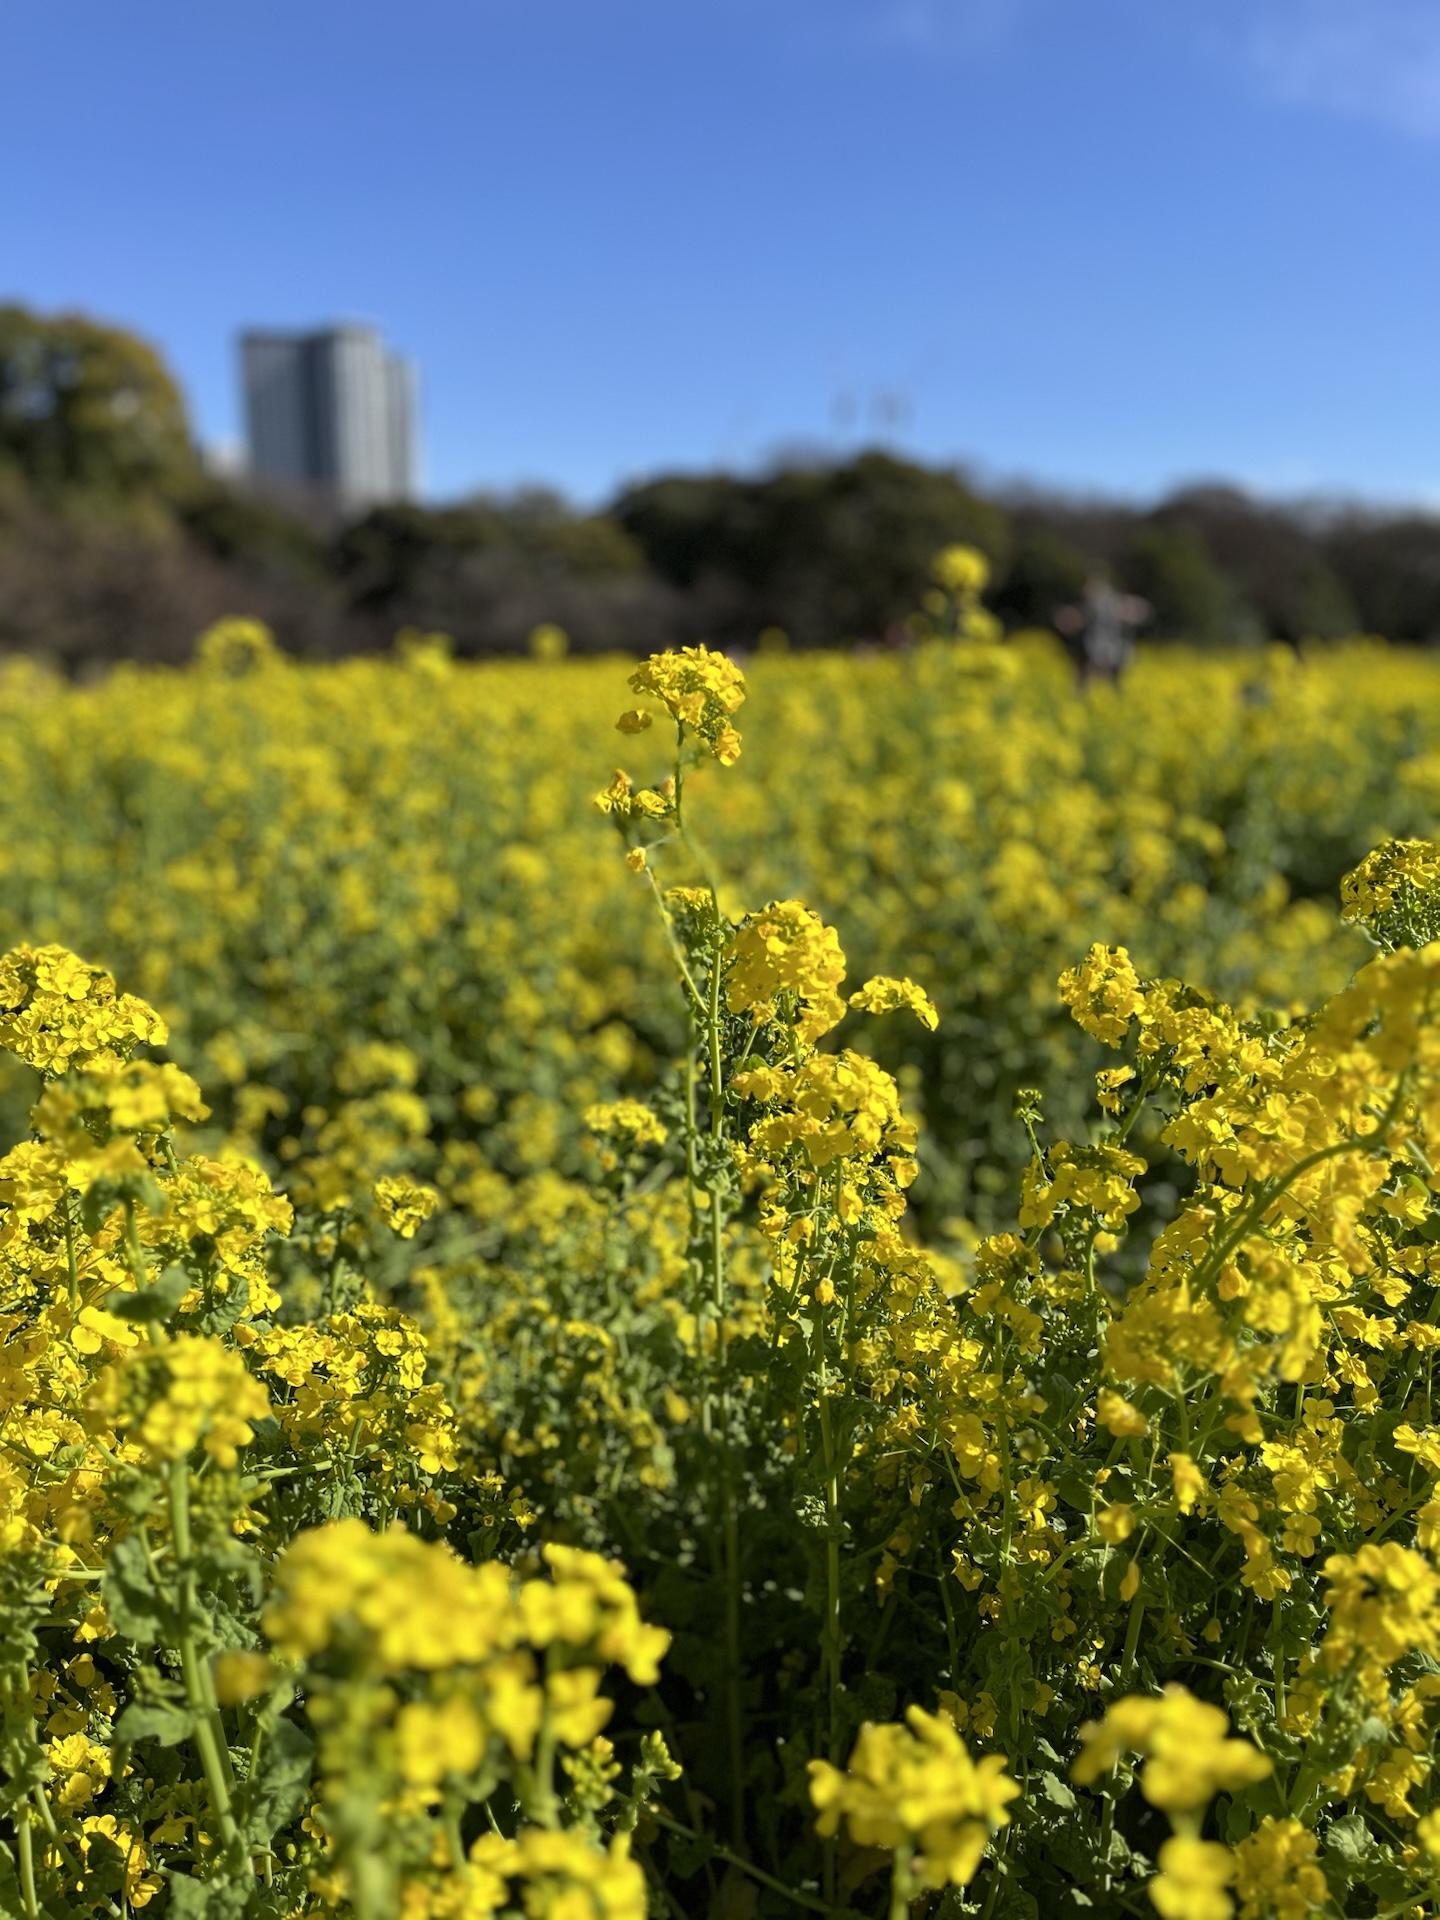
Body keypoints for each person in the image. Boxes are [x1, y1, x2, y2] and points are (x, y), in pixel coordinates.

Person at [1054, 569, 1152, 687]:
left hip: (1107, 650)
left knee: (1102, 677)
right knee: (1091, 677)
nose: (1086, 590)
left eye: (1090, 586)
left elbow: (1138, 611)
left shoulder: (1107, 602)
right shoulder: (1092, 605)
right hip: (1097, 649)